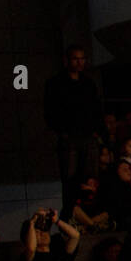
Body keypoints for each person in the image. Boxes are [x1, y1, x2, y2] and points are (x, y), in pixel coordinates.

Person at [43, 45, 104, 217]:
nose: (79, 62)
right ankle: (71, 213)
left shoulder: (88, 83)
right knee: (70, 179)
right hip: (70, 137)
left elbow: (96, 108)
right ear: (67, 60)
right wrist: (62, 131)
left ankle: (88, 212)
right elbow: (50, 111)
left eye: (82, 59)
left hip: (87, 135)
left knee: (90, 177)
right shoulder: (56, 84)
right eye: (75, 59)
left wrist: (96, 131)